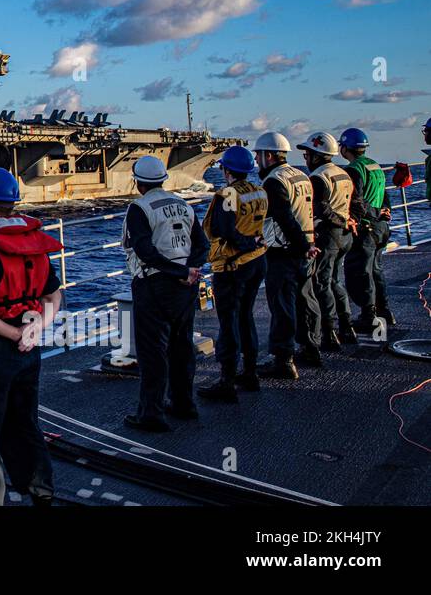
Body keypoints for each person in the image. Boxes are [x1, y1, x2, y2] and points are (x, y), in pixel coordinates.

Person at [0, 168, 62, 505]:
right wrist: (35, 329)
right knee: (25, 424)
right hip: (29, 349)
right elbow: (54, 296)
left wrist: (14, 332)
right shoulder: (36, 245)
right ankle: (41, 491)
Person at [120, 155, 209, 433]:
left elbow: (145, 252)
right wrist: (190, 271)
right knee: (182, 346)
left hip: (154, 286)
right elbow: (203, 246)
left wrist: (178, 273)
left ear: (138, 183)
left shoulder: (139, 208)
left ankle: (151, 414)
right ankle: (184, 404)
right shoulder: (184, 204)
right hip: (185, 287)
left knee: (152, 352)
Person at [197, 146, 269, 403]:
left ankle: (226, 382)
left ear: (226, 170)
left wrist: (244, 243)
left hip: (232, 266)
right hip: (257, 261)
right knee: (246, 317)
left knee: (228, 324)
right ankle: (250, 373)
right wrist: (253, 243)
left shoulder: (227, 193)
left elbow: (224, 230)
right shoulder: (259, 190)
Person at [253, 132, 320, 378]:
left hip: (284, 252)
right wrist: (307, 246)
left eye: (259, 155)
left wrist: (302, 245)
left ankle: (283, 360)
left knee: (282, 306)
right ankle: (311, 347)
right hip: (305, 248)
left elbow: (285, 218)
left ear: (268, 155)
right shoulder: (301, 175)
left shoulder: (273, 181)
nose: (257, 161)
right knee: (305, 301)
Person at [298, 132, 358, 346]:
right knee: (335, 281)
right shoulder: (343, 173)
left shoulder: (318, 177)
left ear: (316, 156)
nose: (305, 159)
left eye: (307, 155)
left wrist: (340, 222)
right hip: (346, 236)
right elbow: (357, 202)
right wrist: (350, 221)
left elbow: (321, 209)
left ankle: (330, 332)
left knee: (322, 284)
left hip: (328, 236)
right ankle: (347, 326)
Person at [339, 128, 393, 332]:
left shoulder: (354, 169)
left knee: (361, 271)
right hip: (381, 227)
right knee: (376, 269)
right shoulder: (375, 166)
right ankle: (384, 310)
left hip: (367, 227)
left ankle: (369, 315)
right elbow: (384, 193)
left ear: (345, 148)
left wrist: (374, 214)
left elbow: (358, 200)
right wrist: (385, 212)